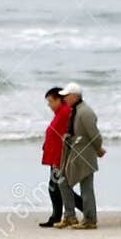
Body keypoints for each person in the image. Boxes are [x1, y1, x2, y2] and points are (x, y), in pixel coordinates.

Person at [57, 81, 105, 230]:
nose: (64, 99)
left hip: (84, 155)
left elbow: (95, 135)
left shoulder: (85, 112)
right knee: (63, 181)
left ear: (75, 96)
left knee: (86, 188)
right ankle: (70, 217)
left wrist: (98, 149)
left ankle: (90, 220)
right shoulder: (75, 110)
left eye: (66, 96)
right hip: (75, 154)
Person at [39, 86, 72, 228]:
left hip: (59, 157)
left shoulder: (65, 113)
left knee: (55, 187)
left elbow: (64, 138)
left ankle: (56, 216)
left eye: (51, 101)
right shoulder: (60, 112)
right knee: (58, 187)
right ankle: (57, 216)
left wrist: (58, 160)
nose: (49, 105)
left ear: (59, 99)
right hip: (55, 156)